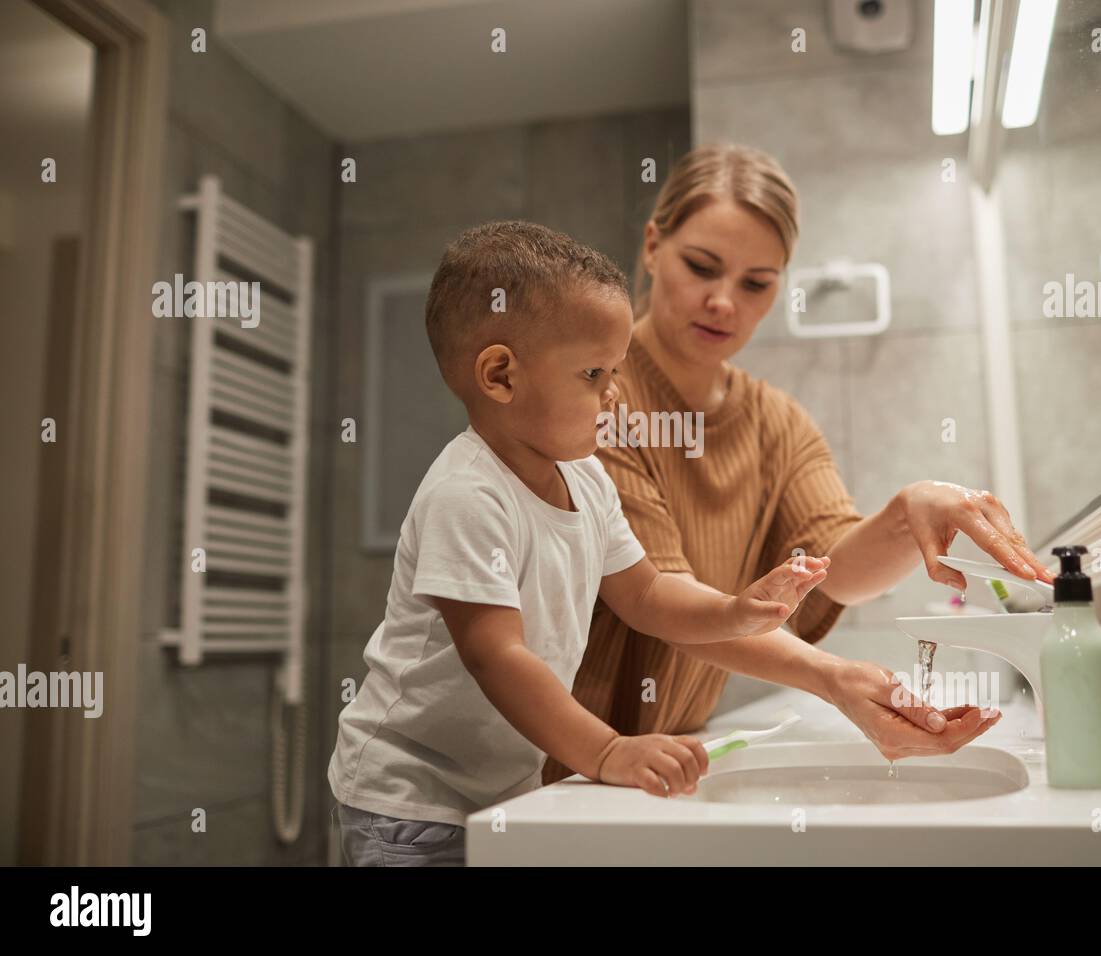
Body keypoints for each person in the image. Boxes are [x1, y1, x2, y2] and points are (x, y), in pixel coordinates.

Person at [542, 144, 1054, 786]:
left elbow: (835, 569)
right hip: (565, 767)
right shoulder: (598, 400)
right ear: (652, 245)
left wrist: (908, 512)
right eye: (702, 267)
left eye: (756, 283)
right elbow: (663, 604)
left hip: (665, 759)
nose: (724, 302)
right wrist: (832, 678)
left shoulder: (776, 422)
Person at [328, 221, 829, 866]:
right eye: (593, 372)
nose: (613, 392)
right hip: (408, 797)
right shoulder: (468, 496)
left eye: (615, 370)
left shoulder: (586, 479)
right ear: (501, 375)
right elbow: (497, 657)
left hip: (493, 789)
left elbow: (645, 593)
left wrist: (734, 611)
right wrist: (607, 750)